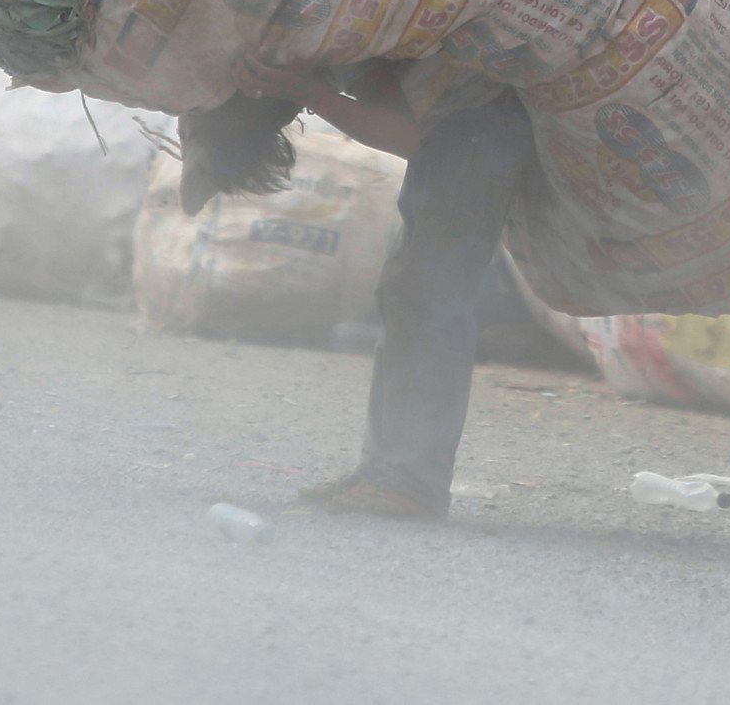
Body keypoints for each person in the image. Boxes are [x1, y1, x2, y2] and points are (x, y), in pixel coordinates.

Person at [198, 54, 538, 519]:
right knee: (408, 292)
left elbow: (403, 133)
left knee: (431, 296)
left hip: (478, 126)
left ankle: (412, 483)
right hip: (459, 129)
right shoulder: (339, 47)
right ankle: (384, 469)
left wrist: (311, 94)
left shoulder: (350, 45)